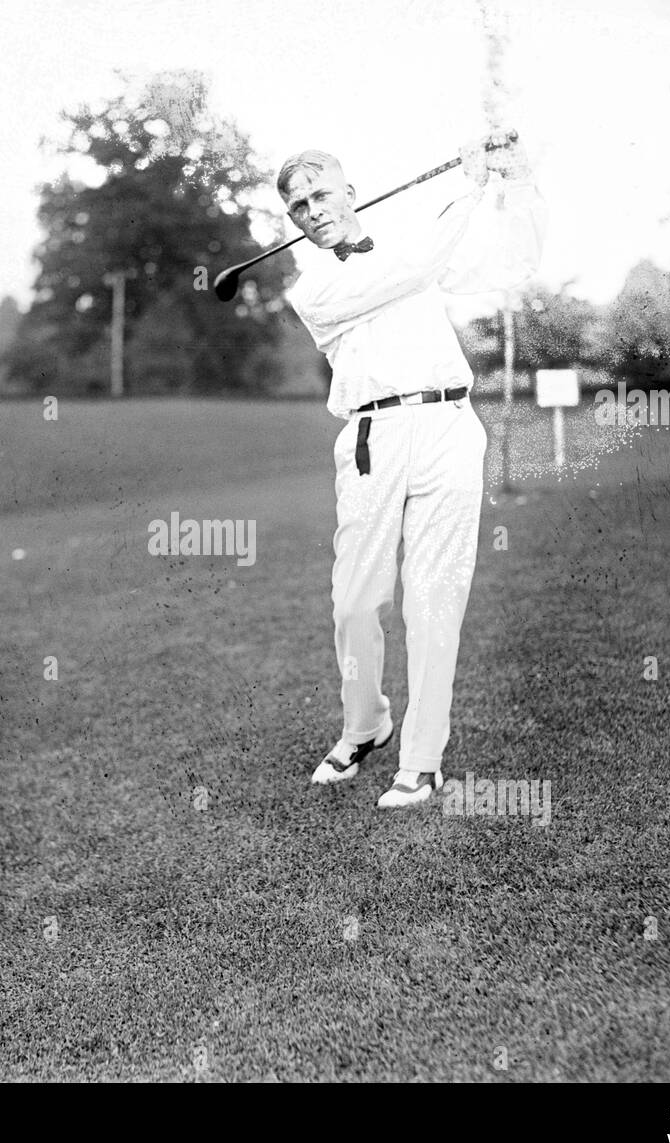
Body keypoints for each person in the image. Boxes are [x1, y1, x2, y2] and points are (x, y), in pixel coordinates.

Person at [280, 135, 546, 809]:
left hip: (449, 431)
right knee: (355, 601)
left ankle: (421, 761)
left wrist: (513, 185)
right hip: (372, 437)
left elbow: (508, 262)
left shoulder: (408, 250)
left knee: (433, 598)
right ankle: (366, 724)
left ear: (350, 191)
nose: (312, 210)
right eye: (298, 204)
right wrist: (466, 185)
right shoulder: (314, 287)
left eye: (320, 193)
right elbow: (413, 266)